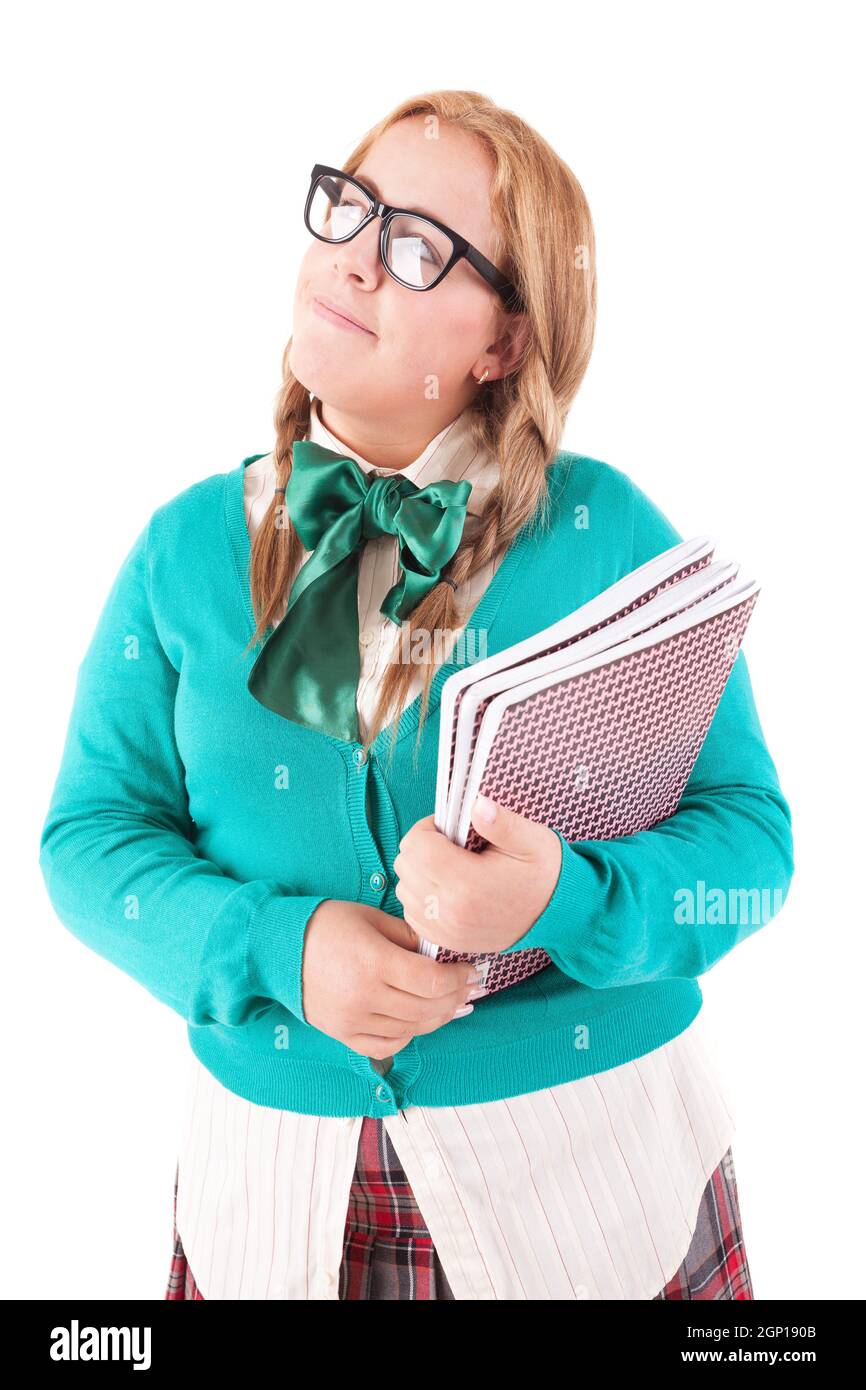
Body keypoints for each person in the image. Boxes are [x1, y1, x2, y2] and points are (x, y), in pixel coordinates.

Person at [39, 89, 794, 1301]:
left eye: (417, 245)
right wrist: (281, 947)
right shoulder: (182, 549)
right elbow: (88, 841)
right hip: (273, 1209)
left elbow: (749, 841)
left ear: (502, 343)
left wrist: (562, 895)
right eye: (350, 205)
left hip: (598, 1196)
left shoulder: (605, 534)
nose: (352, 256)